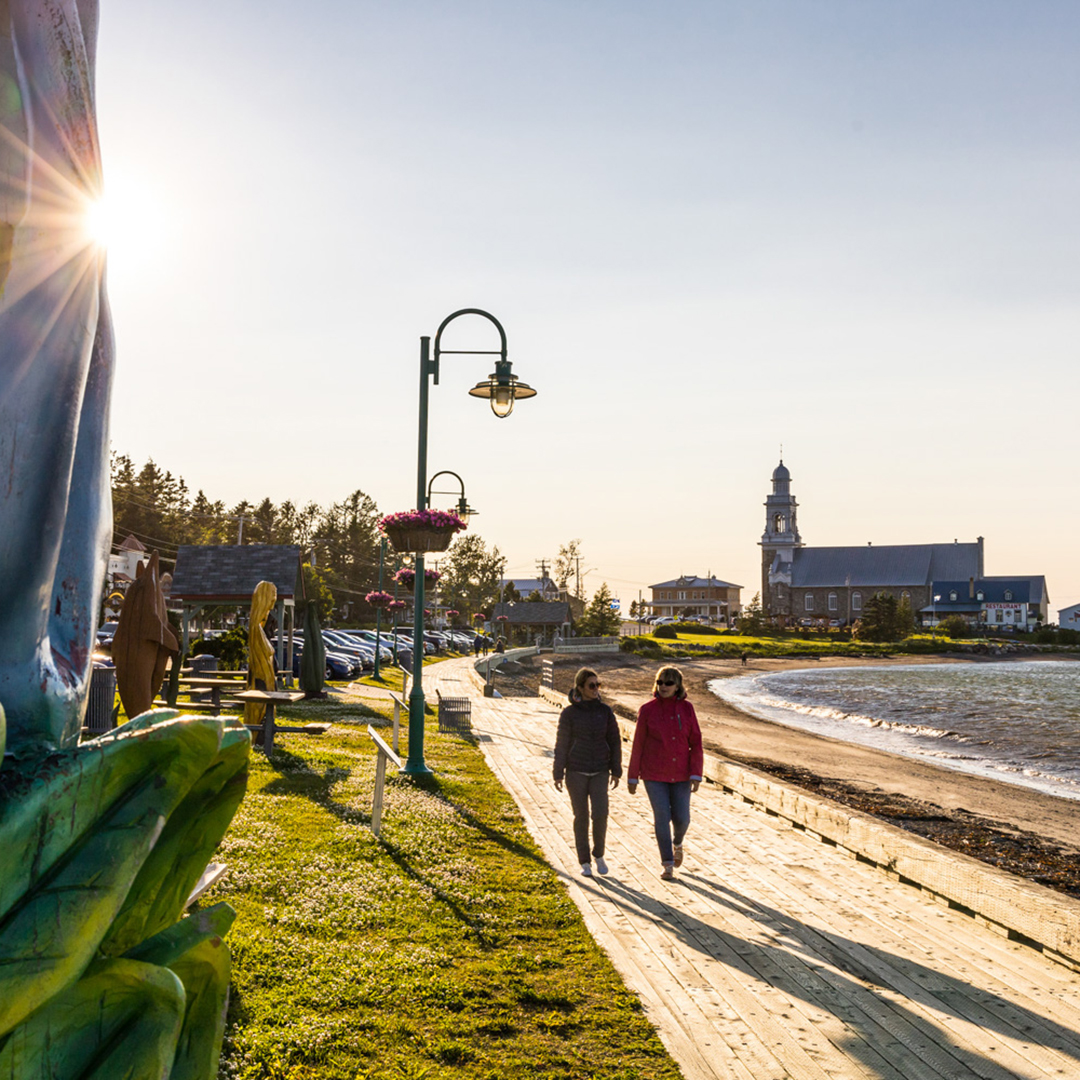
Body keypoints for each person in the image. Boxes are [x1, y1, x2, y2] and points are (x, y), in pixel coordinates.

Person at [627, 665, 703, 880]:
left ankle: (677, 842)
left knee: (682, 819)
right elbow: (638, 744)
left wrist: (696, 773)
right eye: (660, 682)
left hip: (681, 774)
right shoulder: (647, 709)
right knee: (662, 817)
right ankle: (667, 863)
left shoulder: (687, 709)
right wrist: (633, 776)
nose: (663, 686)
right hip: (653, 774)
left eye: (668, 683)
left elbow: (696, 743)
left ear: (678, 685)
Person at [553, 667, 622, 876]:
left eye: (598, 685)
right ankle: (584, 862)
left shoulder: (605, 711)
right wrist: (558, 772)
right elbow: (561, 744)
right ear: (580, 688)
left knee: (600, 814)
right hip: (576, 771)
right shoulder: (569, 714)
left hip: (600, 770)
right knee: (581, 817)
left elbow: (615, 741)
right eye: (591, 685)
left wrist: (616, 769)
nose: (595, 689)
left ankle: (599, 854)